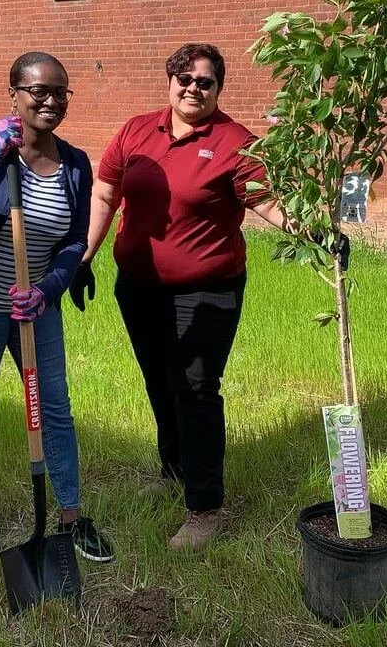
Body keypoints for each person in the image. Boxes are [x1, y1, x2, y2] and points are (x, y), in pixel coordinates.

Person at [72, 43, 290, 552]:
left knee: (195, 387)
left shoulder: (235, 142)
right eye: (184, 78)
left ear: (219, 88)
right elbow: (106, 192)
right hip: (140, 287)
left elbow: (270, 203)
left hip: (207, 291)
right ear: (169, 81)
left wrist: (315, 231)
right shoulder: (135, 131)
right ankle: (172, 470)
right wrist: (84, 255)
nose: (193, 88)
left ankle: (205, 506)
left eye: (205, 81)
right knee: (159, 379)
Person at [0, 51, 113, 562]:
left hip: (33, 307)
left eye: (61, 92)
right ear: (13, 93)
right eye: (39, 90)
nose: (51, 100)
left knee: (54, 408)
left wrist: (49, 288)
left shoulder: (75, 163)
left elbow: (74, 242)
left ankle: (72, 517)